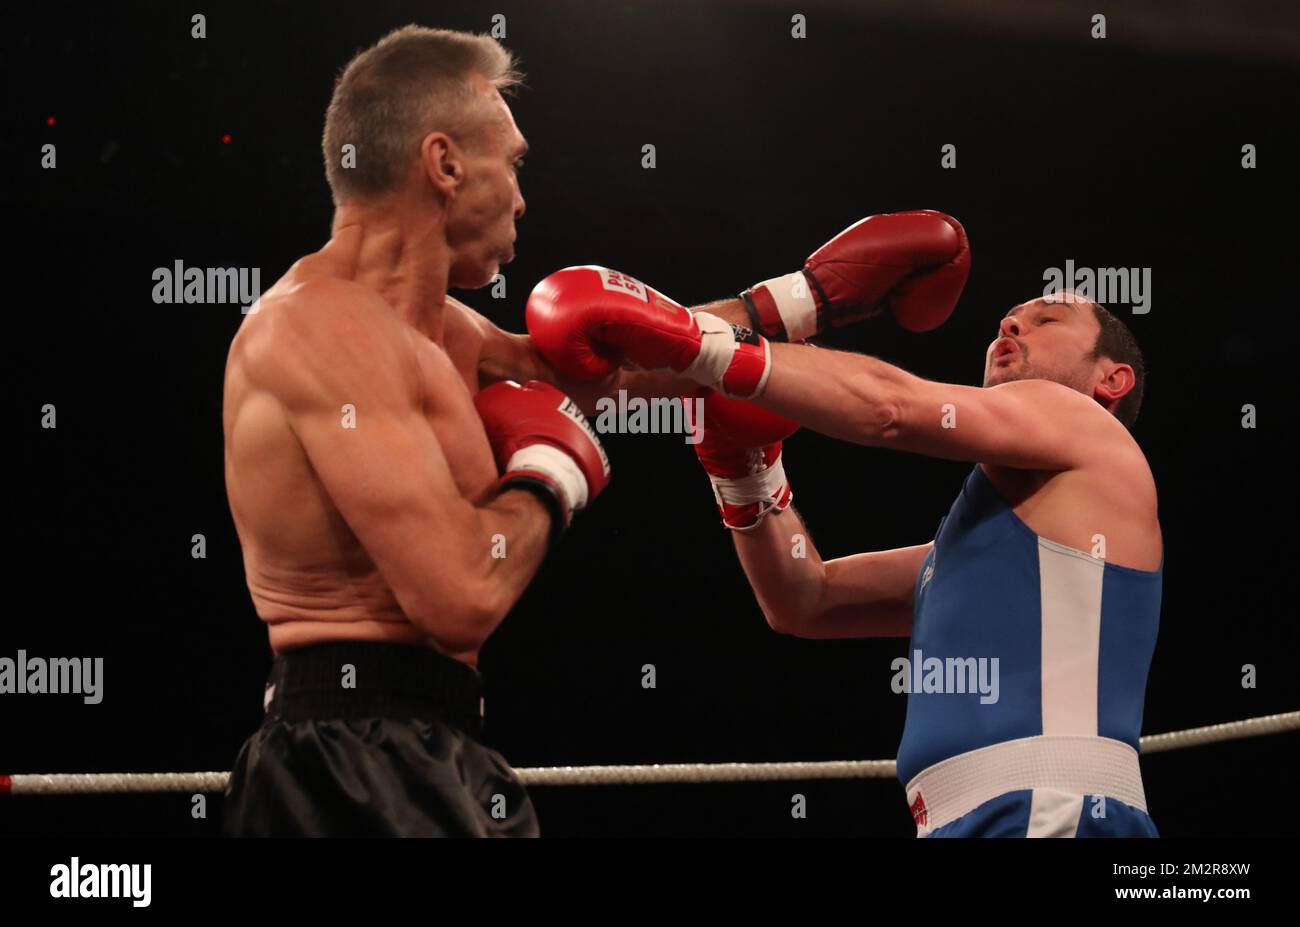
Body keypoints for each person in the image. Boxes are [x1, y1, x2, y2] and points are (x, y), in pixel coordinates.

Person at [525, 247, 1161, 837]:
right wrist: (745, 469)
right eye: (1007, 321)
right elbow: (805, 600)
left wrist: (701, 340)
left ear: (1113, 381)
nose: (1011, 327)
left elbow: (891, 408)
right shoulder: (999, 548)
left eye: (1046, 319)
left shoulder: (1088, 427)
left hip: (1049, 807)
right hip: (988, 814)